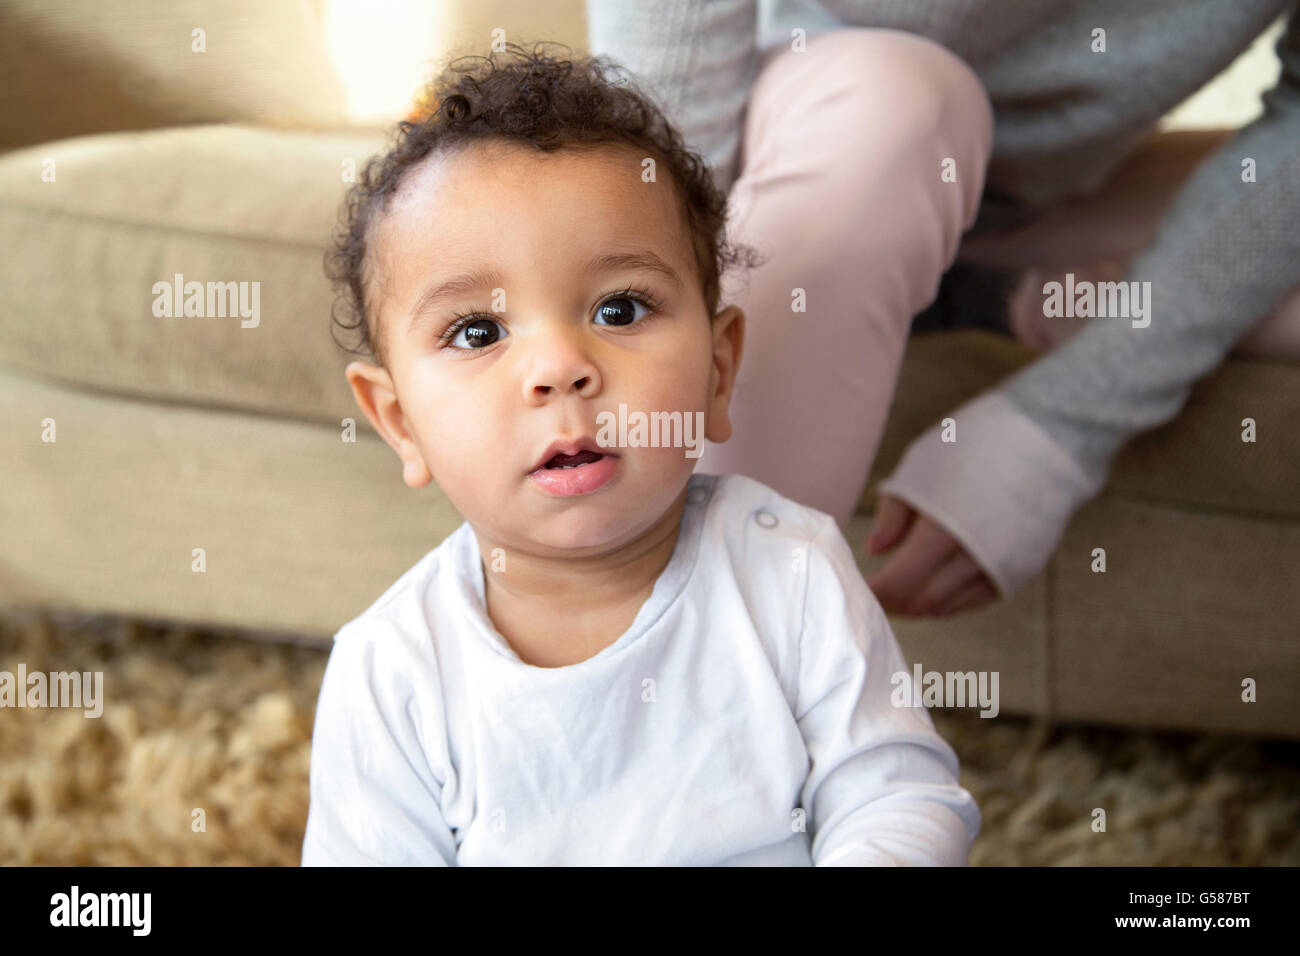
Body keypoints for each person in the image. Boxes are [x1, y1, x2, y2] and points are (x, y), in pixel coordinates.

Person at [301, 43, 980, 865]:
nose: (559, 368)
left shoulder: (787, 569)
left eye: (620, 309)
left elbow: (899, 794)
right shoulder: (391, 673)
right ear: (400, 420)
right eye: (478, 332)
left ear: (719, 370)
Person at [587, 0, 1300, 616]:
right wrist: (653, 284)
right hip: (804, 142)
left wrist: (1057, 427)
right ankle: (702, 683)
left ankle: (983, 297)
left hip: (1030, 198)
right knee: (903, 101)